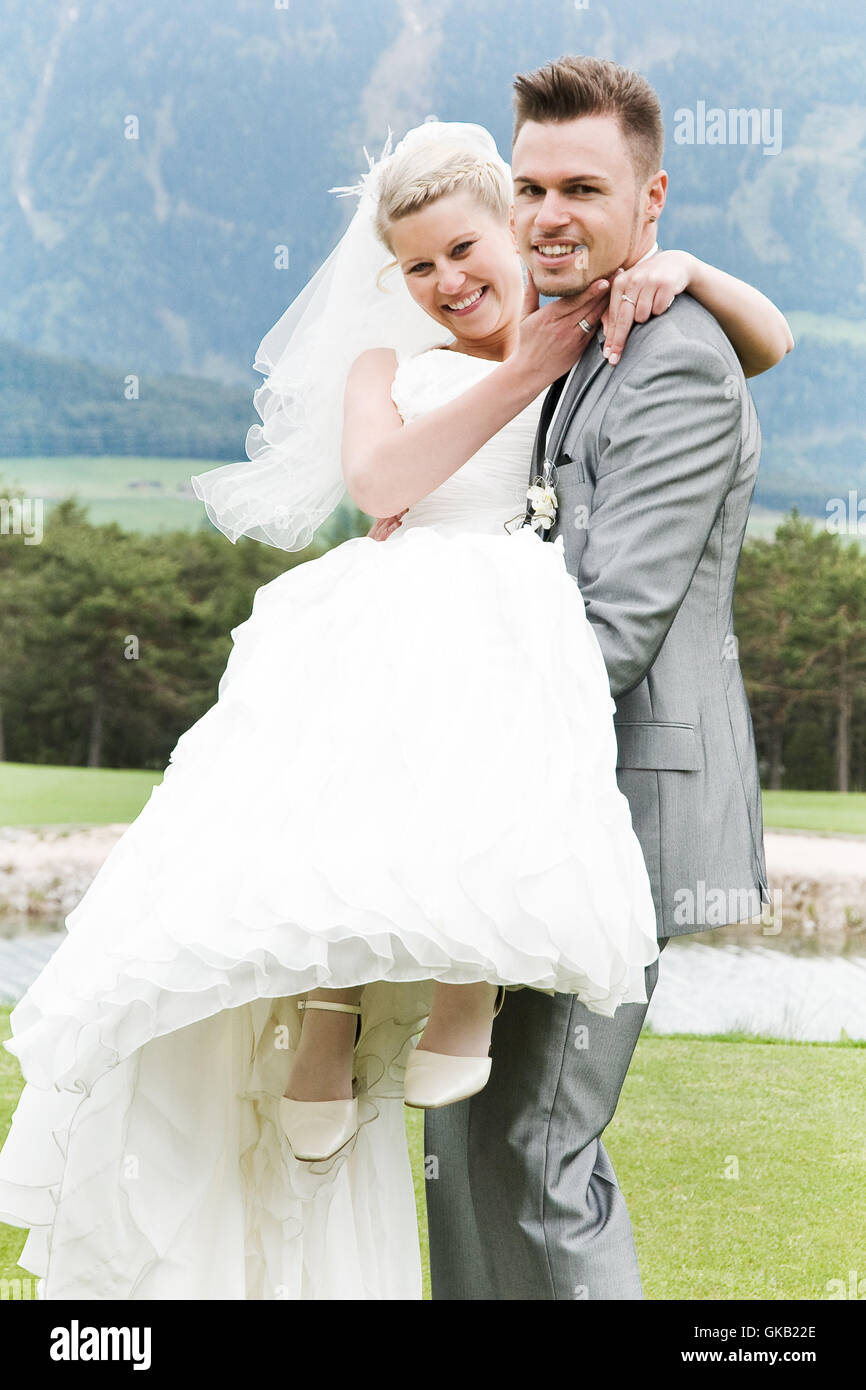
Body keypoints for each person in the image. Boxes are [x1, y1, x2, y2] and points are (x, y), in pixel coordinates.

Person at [0, 109, 790, 1299]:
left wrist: (683, 266)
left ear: (515, 232)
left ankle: (454, 996)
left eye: (467, 250)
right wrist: (524, 368)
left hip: (517, 631)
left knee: (520, 1138)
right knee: (344, 801)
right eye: (417, 267)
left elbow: (760, 342)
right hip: (412, 612)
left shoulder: (604, 332)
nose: (447, 282)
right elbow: (378, 478)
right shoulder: (419, 363)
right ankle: (324, 1023)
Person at [418, 55, 792, 1302]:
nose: (544, 215)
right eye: (527, 187)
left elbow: (612, 628)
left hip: (621, 808)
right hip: (532, 804)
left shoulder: (676, 358)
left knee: (537, 1148)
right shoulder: (576, 334)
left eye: (582, 186)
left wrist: (425, 739)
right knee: (455, 1132)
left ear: (651, 199)